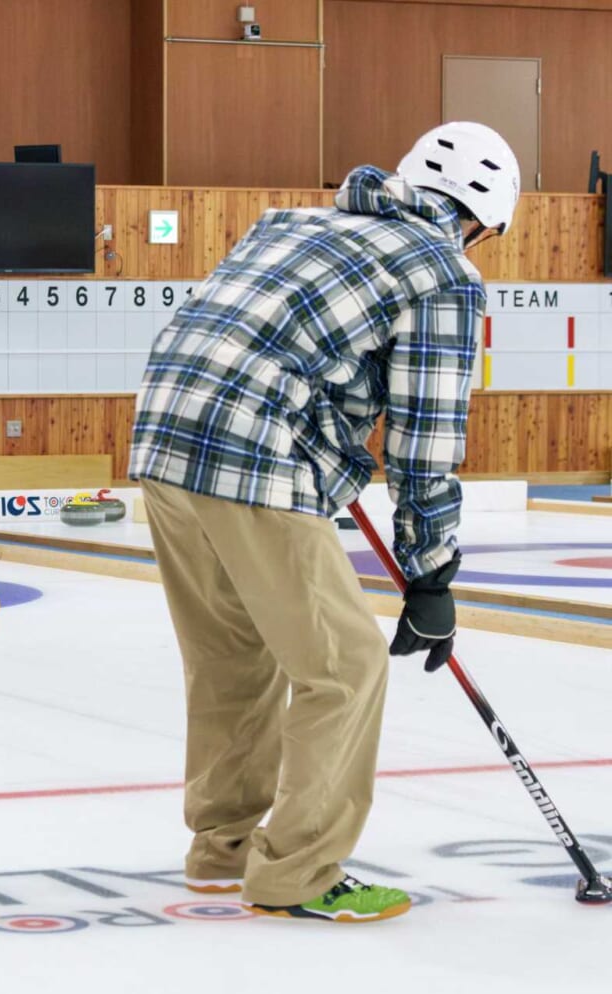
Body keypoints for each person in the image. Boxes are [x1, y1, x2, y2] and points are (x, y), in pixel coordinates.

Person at [129, 122, 520, 922]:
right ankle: (298, 872)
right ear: (482, 220)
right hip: (254, 454)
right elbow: (426, 442)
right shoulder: (443, 271)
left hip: (163, 438)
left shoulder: (292, 222)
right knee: (345, 669)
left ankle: (222, 851)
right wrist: (432, 573)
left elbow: (261, 344)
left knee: (234, 660)